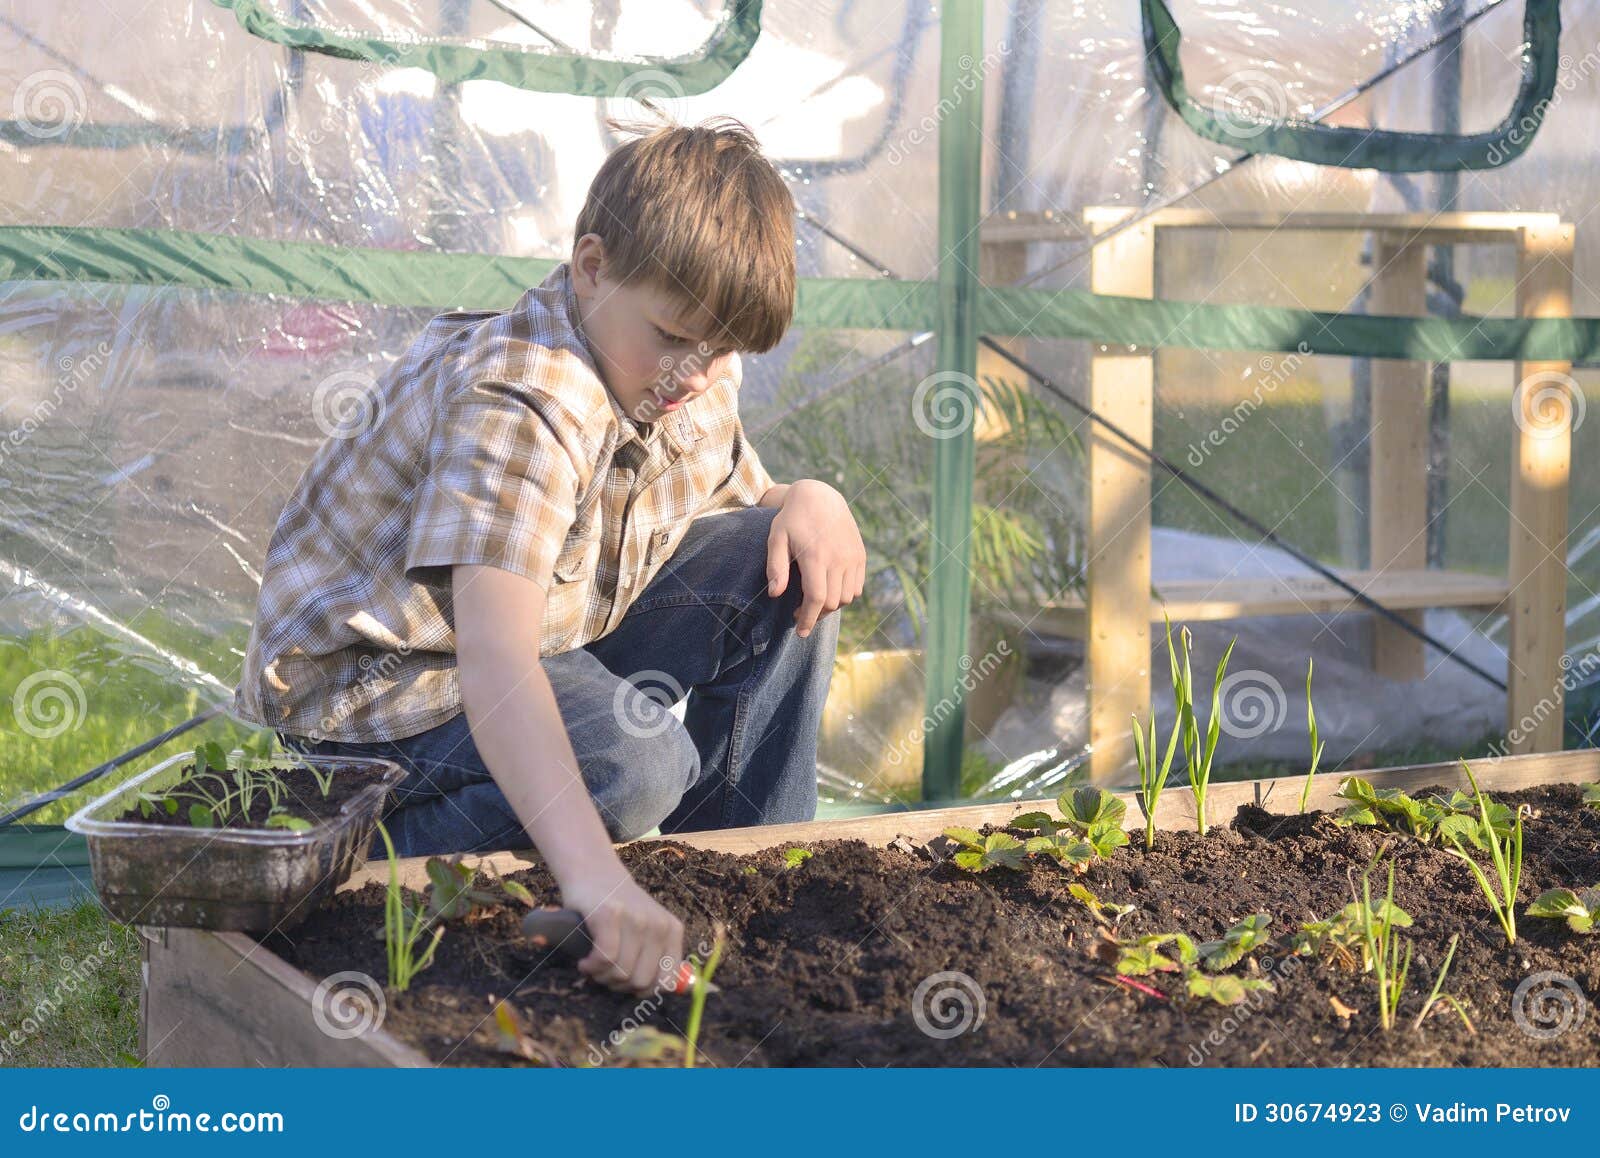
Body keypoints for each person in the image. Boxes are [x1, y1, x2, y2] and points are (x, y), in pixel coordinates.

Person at [232, 116, 867, 996]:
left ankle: (740, 891)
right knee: (635, 762)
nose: (696, 372)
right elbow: (495, 661)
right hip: (385, 691)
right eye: (676, 337)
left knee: (784, 563)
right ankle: (350, 863)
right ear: (593, 267)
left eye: (720, 349)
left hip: (543, 643)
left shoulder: (686, 367)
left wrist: (807, 499)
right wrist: (599, 878)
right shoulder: (525, 398)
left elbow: (731, 493)